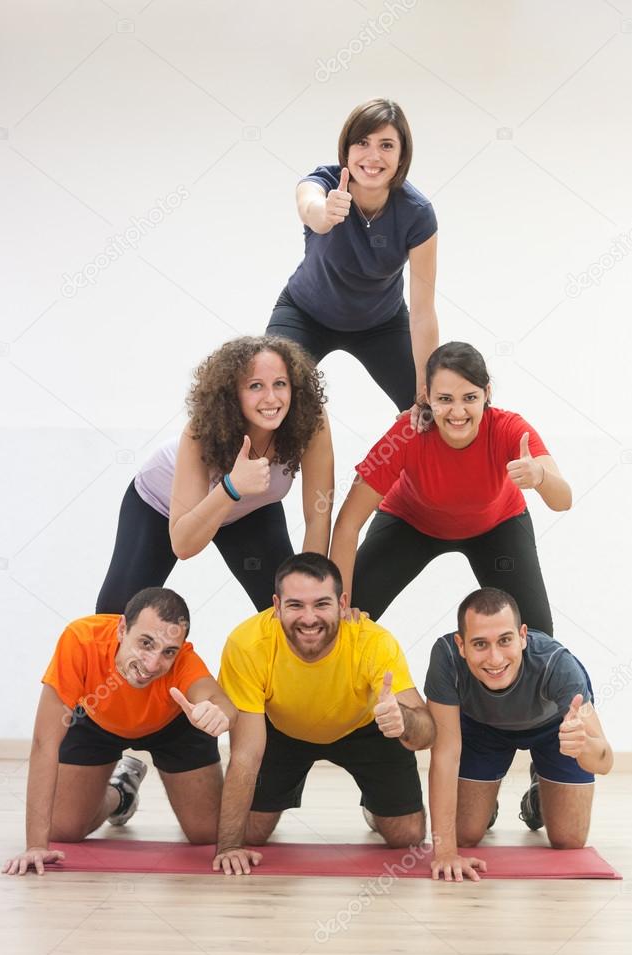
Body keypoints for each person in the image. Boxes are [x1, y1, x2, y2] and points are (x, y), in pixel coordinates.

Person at [211, 553, 436, 876]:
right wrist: (229, 846)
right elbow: (245, 754)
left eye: (321, 604)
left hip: (364, 727)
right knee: (251, 833)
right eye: (295, 605)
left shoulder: (374, 641)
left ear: (342, 604)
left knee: (407, 837)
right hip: (283, 729)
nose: (309, 618)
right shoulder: (247, 643)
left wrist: (403, 720)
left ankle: (376, 806)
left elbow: (426, 733)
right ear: (277, 606)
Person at [330, 341, 572, 633]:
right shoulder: (406, 434)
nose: (458, 412)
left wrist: (540, 476)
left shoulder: (509, 428)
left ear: (487, 393)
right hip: (410, 524)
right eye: (445, 399)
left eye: (470, 397)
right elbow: (347, 524)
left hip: (496, 525)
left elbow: (563, 500)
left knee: (536, 637)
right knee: (340, 618)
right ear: (426, 397)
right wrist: (340, 607)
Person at [2, 587, 237, 876]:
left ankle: (126, 786)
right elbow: (44, 743)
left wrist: (219, 714)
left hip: (173, 726)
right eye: (146, 643)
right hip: (96, 720)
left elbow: (219, 701)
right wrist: (35, 846)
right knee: (64, 828)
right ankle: (121, 792)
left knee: (207, 832)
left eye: (168, 652)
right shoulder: (80, 639)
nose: (152, 664)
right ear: (122, 629)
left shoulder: (185, 662)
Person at [96, 335, 334, 615]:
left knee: (292, 609)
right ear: (232, 393)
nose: (271, 398)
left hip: (249, 510)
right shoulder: (200, 432)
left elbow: (318, 515)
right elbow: (184, 545)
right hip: (160, 506)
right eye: (255, 386)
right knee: (115, 616)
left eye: (280, 383)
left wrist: (311, 586)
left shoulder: (309, 420)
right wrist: (232, 486)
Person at [426, 587, 613, 883]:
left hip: (553, 730)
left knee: (569, 840)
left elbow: (605, 761)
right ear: (461, 645)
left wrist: (582, 745)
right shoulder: (446, 658)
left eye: (505, 640)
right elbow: (445, 754)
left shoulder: (558, 664)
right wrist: (446, 851)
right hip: (483, 729)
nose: (495, 658)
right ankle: (485, 802)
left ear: (523, 636)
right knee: (465, 834)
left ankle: (539, 794)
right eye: (480, 644)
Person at [266, 97, 438, 417]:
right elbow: (309, 207)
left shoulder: (417, 213)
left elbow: (423, 314)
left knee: (427, 410)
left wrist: (426, 391)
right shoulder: (323, 183)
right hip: (305, 314)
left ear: (402, 156)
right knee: (267, 397)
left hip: (381, 323)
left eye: (386, 145)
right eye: (362, 142)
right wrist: (325, 213)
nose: (373, 156)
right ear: (346, 149)